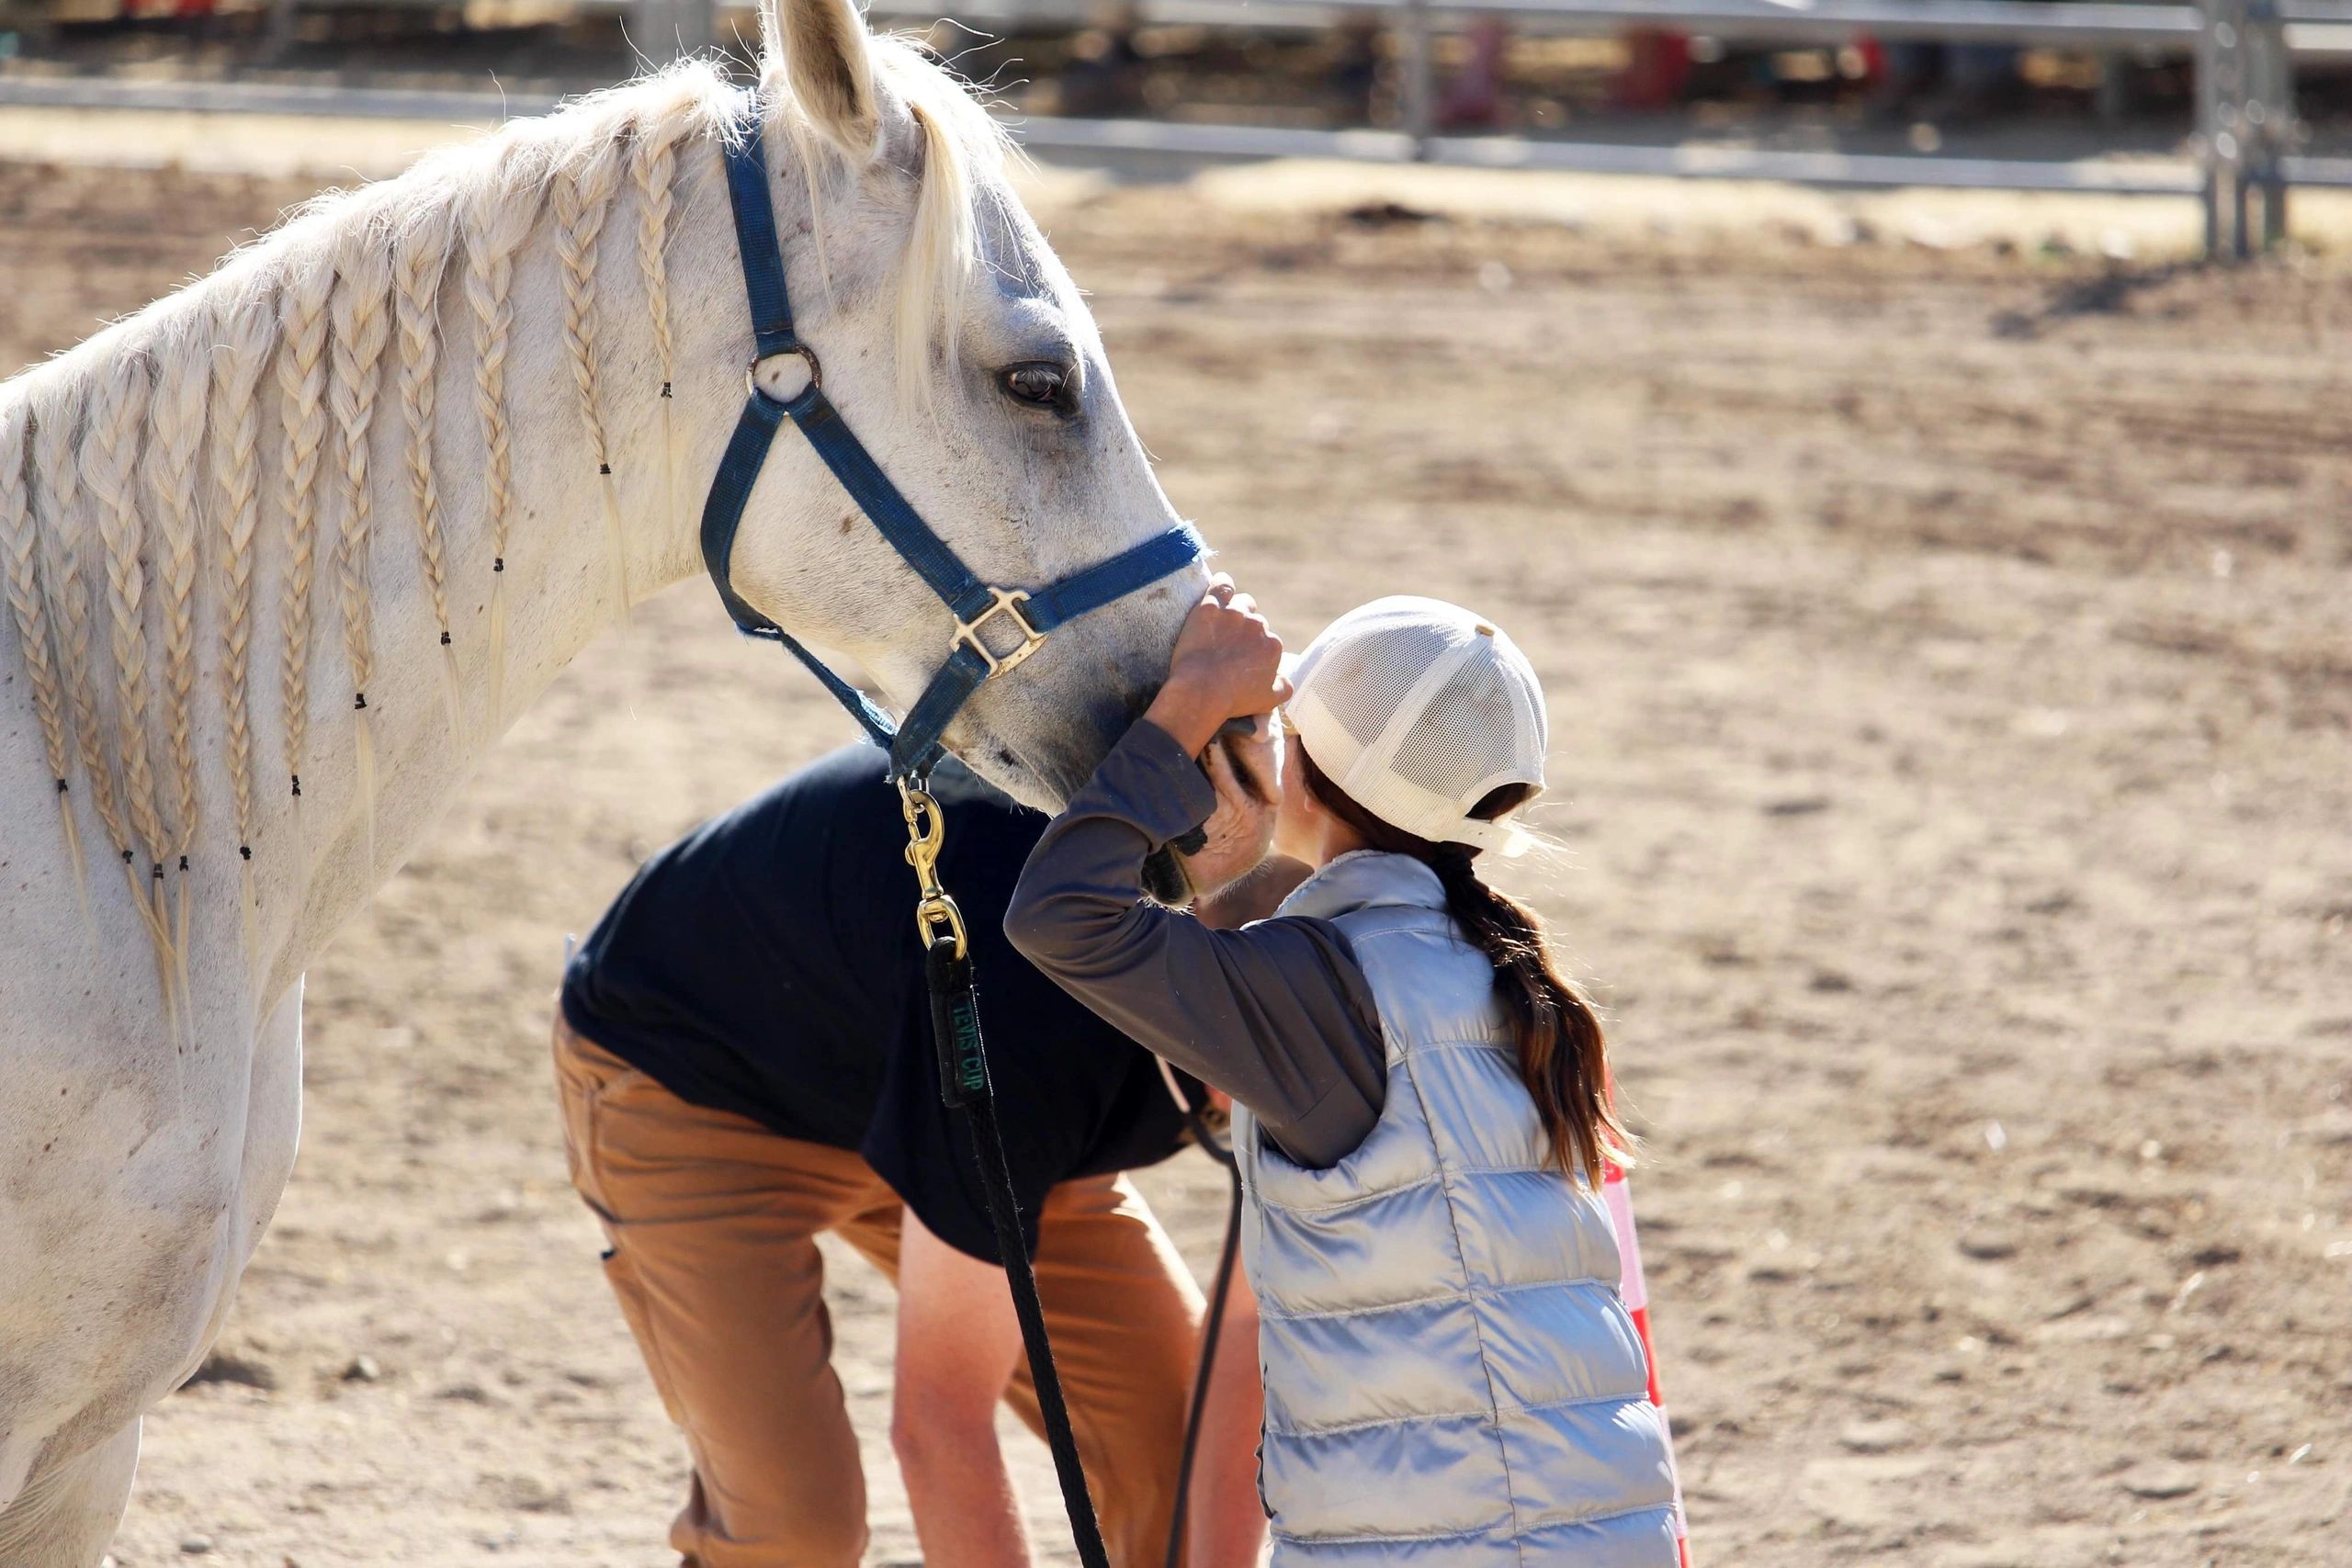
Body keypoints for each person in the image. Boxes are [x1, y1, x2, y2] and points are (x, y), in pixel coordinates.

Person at [1008, 587, 1683, 1564]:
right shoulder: (1507, 975)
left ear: (1308, 769)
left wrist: (1191, 704)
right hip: (1604, 1529)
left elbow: (1060, 916)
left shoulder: (1330, 981)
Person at [553, 744, 1272, 1568]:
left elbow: (1244, 1336)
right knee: (793, 1533)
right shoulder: (1042, 1026)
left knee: (1172, 1453)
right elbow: (940, 1421)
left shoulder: (1329, 986)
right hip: (695, 1078)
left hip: (948, 1087)